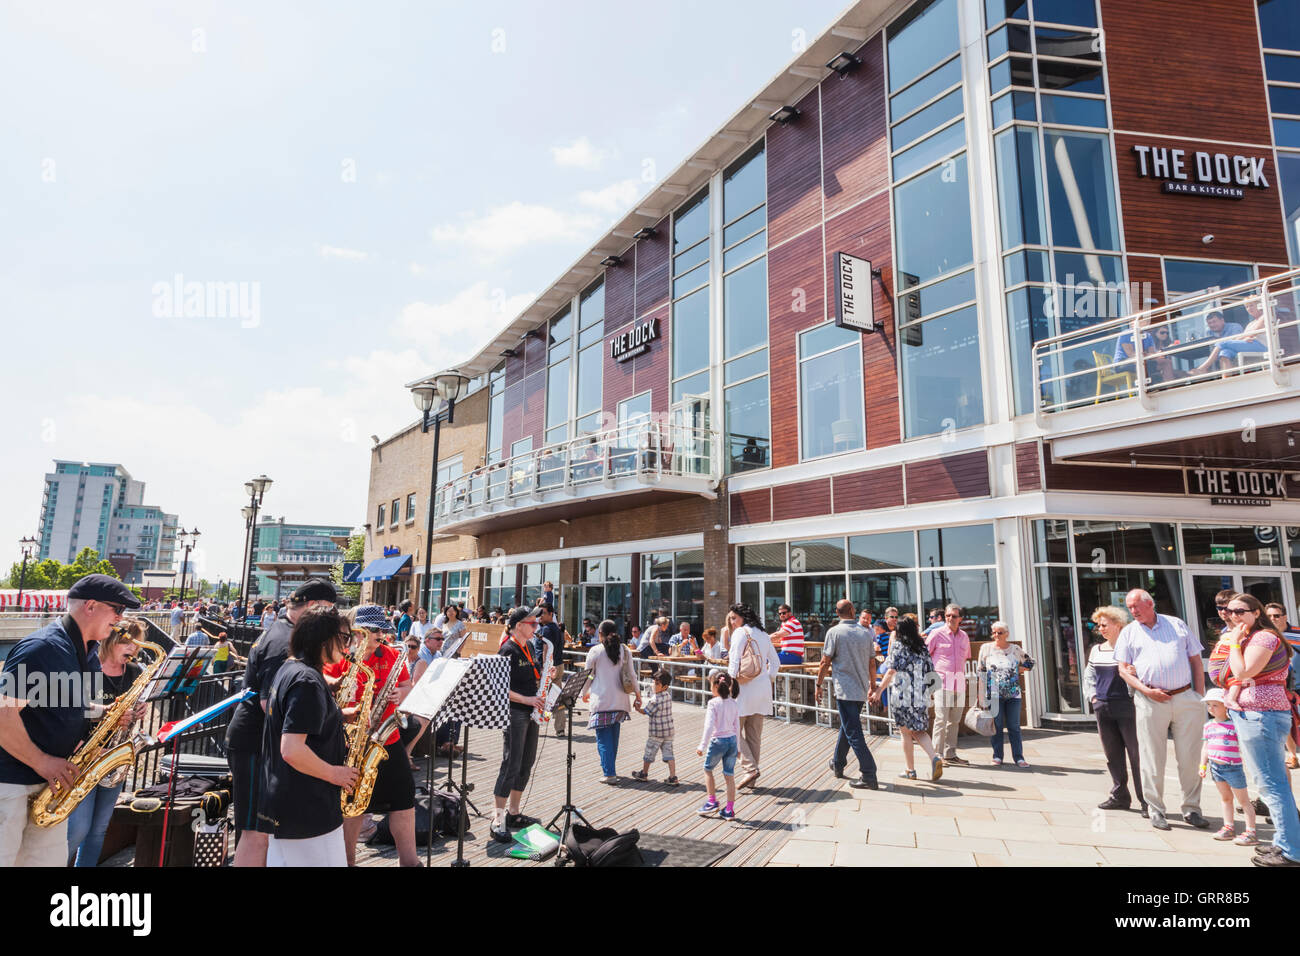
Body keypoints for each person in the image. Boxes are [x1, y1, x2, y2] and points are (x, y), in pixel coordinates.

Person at [0, 574, 140, 867]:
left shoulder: (87, 653)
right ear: (90, 606)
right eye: (116, 609)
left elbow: (64, 703)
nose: (120, 618)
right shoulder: (42, 649)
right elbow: (3, 714)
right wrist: (42, 761)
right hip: (11, 784)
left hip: (50, 789)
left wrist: (105, 712)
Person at [225, 578, 338, 867]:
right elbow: (271, 703)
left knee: (262, 830)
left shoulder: (284, 631)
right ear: (313, 607)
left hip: (260, 742)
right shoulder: (282, 641)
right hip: (253, 742)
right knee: (256, 831)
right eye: (328, 612)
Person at [261, 605, 358, 867]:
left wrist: (337, 715)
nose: (347, 647)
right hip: (308, 809)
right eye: (345, 638)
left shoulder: (290, 670)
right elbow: (291, 749)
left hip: (288, 805)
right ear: (324, 639)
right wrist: (335, 774)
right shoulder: (307, 681)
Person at [1210, 593, 1300, 867]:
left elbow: (1243, 672)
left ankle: (1292, 851)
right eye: (1229, 610)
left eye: (1241, 611)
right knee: (1269, 783)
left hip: (1262, 716)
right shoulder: (1253, 636)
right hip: (1255, 715)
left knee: (1272, 786)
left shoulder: (1264, 638)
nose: (1233, 615)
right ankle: (1284, 843)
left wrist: (1235, 643)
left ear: (1256, 612)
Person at [1113, 588, 1208, 831]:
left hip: (1186, 697)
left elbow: (1196, 660)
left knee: (1190, 757)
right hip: (1150, 699)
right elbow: (1123, 670)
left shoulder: (1176, 624)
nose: (1132, 611)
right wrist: (1145, 691)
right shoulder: (1129, 632)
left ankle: (1192, 809)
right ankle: (1155, 809)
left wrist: (1199, 695)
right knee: (1152, 757)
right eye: (1129, 607)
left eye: (1136, 606)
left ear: (1150, 604)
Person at [340, 605, 417, 866]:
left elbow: (407, 684)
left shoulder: (393, 655)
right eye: (373, 630)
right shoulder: (343, 657)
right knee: (352, 808)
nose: (378, 635)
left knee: (405, 800)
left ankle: (410, 860)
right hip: (354, 744)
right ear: (357, 631)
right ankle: (348, 861)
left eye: (381, 630)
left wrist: (401, 694)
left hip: (388, 739)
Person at [66, 620, 144, 867]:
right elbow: (75, 711)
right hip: (86, 755)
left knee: (98, 830)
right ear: (111, 641)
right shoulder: (89, 669)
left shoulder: (134, 672)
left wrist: (140, 709)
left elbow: (133, 708)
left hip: (114, 759)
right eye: (128, 642)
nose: (133, 648)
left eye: (136, 643)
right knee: (77, 828)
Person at [492, 607, 546, 843]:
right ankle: (497, 819)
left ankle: (513, 813)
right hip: (516, 712)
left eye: (536, 623)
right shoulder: (508, 649)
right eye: (531, 623)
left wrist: (545, 674)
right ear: (518, 625)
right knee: (510, 764)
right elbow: (500, 687)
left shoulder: (530, 646)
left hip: (531, 710)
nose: (535, 626)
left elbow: (529, 676)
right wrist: (527, 699)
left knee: (526, 761)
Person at [1085, 606, 1145, 813]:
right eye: (1098, 625)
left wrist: (1136, 671)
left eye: (1104, 625)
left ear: (1118, 624)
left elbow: (1145, 672)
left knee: (1137, 755)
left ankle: (1146, 801)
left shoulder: (1131, 648)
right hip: (1104, 706)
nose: (1100, 629)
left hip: (1128, 706)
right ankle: (1119, 796)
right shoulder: (1096, 650)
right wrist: (1093, 698)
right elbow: (1089, 677)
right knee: (1113, 755)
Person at [815, 598, 878, 789]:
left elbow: (825, 661)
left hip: (844, 689)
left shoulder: (834, 632)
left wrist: (818, 684)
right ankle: (838, 763)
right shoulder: (865, 633)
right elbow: (872, 663)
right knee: (847, 726)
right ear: (852, 611)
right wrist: (872, 685)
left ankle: (869, 773)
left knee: (853, 731)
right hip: (859, 688)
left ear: (837, 612)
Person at [871, 617, 942, 781]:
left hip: (902, 695)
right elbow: (930, 670)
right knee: (919, 730)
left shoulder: (898, 646)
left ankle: (910, 770)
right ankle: (934, 757)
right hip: (921, 694)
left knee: (905, 733)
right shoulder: (922, 647)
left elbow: (890, 671)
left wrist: (879, 690)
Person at [726, 603, 781, 791]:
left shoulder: (740, 633)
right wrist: (769, 679)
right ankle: (753, 778)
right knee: (754, 736)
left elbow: (734, 661)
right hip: (762, 690)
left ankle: (749, 769)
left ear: (743, 617)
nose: (732, 622)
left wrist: (730, 684)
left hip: (742, 688)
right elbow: (775, 662)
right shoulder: (764, 635)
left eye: (734, 618)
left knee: (731, 730)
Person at [583, 619, 640, 785]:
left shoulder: (595, 651)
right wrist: (638, 694)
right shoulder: (625, 650)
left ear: (600, 633)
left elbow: (589, 675)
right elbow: (631, 674)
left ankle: (609, 773)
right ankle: (611, 769)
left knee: (603, 739)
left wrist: (583, 693)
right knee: (613, 737)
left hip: (601, 700)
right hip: (620, 700)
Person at [1198, 688, 1257, 845]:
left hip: (1233, 767)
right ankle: (1228, 827)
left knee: (1243, 800)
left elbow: (1244, 745)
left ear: (1226, 706)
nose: (1211, 708)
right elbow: (1206, 747)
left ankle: (1251, 831)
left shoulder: (1234, 725)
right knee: (1225, 798)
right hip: (1216, 768)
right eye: (1209, 705)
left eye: (1215, 705)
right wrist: (1202, 765)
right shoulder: (1208, 726)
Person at [977, 621, 1031, 767]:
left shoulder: (1015, 649)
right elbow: (981, 671)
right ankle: (997, 756)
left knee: (1014, 726)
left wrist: (1017, 671)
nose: (996, 635)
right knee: (997, 726)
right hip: (993, 693)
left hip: (1013, 694)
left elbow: (1030, 663)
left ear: (1007, 634)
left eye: (1000, 632)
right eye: (994, 632)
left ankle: (1019, 757)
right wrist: (981, 695)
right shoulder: (986, 648)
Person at [925, 604, 971, 766]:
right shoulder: (936, 634)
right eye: (948, 615)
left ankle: (951, 754)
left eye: (954, 616)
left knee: (955, 721)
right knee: (941, 720)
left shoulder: (964, 636)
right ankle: (937, 755)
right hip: (941, 683)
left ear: (960, 619)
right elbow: (926, 656)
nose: (951, 618)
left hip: (959, 683)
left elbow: (966, 658)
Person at [696, 671, 740, 820]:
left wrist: (702, 745)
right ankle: (729, 810)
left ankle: (712, 801)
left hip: (718, 741)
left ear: (716, 686)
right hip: (732, 741)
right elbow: (737, 726)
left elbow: (708, 726)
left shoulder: (713, 703)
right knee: (729, 776)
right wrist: (739, 748)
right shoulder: (734, 703)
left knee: (708, 770)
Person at [1263, 602, 1300, 768]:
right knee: (1285, 721)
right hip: (1280, 686)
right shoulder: (1264, 636)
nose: (1273, 619)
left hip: (1298, 684)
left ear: (1284, 616)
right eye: (1269, 616)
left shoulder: (1298, 633)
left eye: (1276, 615)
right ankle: (1293, 755)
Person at [1193, 297, 1269, 374]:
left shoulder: (1264, 317)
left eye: (1251, 305)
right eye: (1247, 307)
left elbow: (1251, 333)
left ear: (1259, 305)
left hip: (1263, 346)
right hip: (1252, 344)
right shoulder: (1251, 323)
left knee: (1223, 343)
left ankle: (1203, 368)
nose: (1249, 309)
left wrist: (1241, 338)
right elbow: (1245, 336)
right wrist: (1243, 339)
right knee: (1225, 352)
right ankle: (1227, 378)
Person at [631, 670, 678, 784]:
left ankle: (644, 773)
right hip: (668, 731)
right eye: (653, 683)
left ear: (664, 686)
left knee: (649, 752)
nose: (654, 686)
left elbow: (646, 711)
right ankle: (673, 777)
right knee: (669, 754)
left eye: (657, 684)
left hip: (656, 732)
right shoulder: (667, 696)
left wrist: (637, 709)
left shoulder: (655, 699)